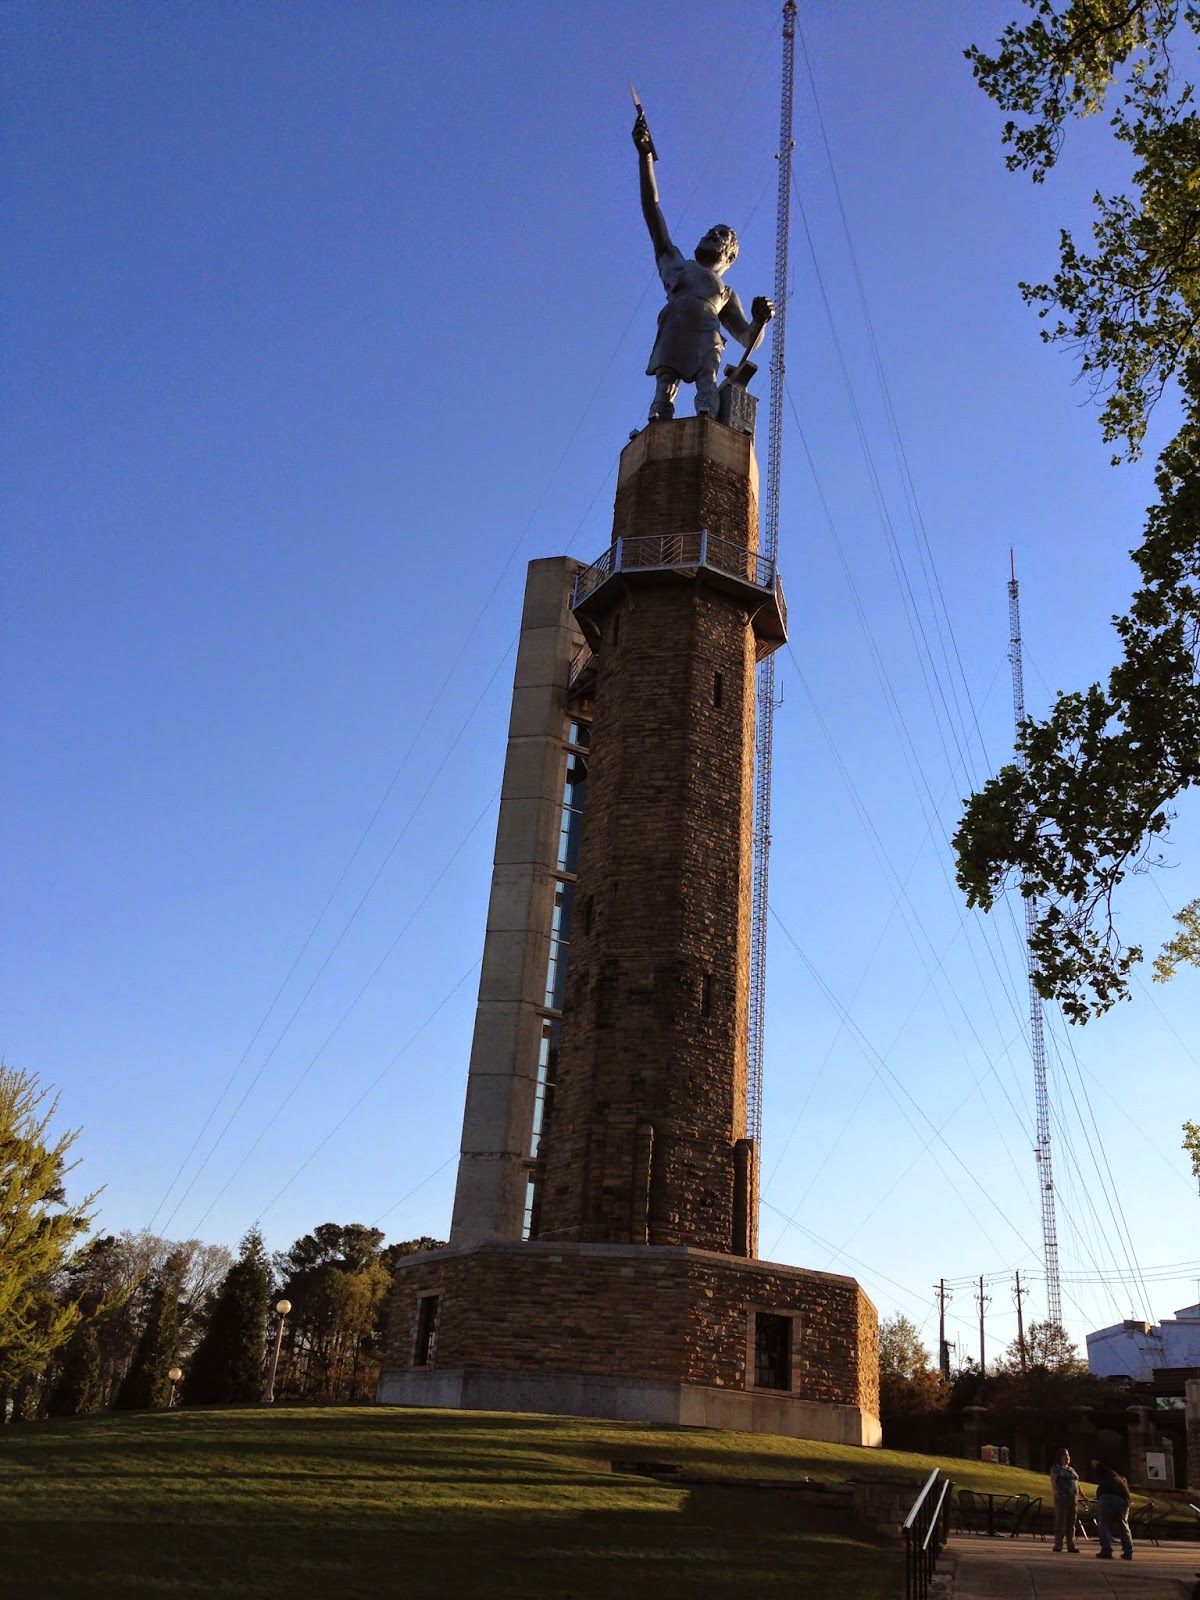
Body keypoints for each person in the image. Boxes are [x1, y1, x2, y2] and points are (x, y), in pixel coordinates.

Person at [632, 110, 773, 423]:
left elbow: (749, 338)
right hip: (673, 330)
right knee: (665, 387)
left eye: (719, 236)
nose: (710, 235)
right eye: (710, 232)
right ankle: (660, 422)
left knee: (707, 382)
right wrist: (645, 159)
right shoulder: (677, 265)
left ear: (730, 256)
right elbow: (652, 211)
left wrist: (760, 319)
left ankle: (707, 419)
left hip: (706, 338)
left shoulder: (724, 292)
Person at [1091, 1459, 1133, 1560]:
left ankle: (1106, 1550)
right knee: (1123, 1525)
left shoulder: (1108, 1472)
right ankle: (1128, 1551)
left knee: (1104, 1524)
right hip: (1124, 1499)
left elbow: (1095, 1463)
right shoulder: (1121, 1480)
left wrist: (1094, 1463)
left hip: (1107, 1497)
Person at [1049, 1447, 1080, 1552]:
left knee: (1071, 1522)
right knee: (1060, 1521)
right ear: (1060, 1457)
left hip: (1073, 1498)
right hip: (1062, 1497)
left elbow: (1076, 1483)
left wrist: (1082, 1495)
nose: (1067, 1458)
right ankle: (1058, 1544)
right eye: (1065, 1456)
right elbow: (1053, 1480)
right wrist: (1056, 1491)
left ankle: (1071, 1545)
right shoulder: (1056, 1468)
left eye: (1068, 1456)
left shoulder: (1071, 1470)